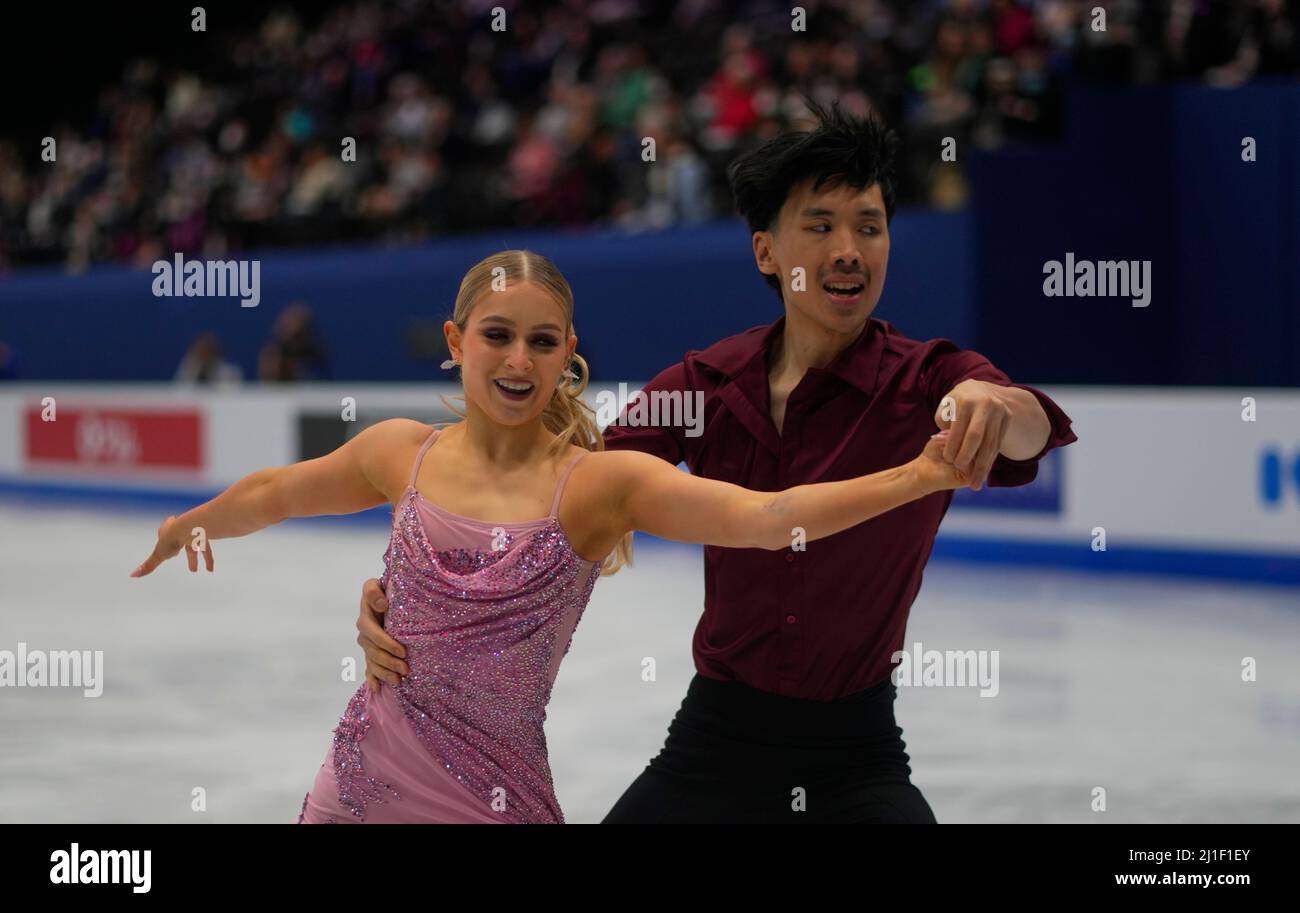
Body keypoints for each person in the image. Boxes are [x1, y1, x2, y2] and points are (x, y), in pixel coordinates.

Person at [357, 101, 1079, 823]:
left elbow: (1029, 427)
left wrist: (994, 403)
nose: (850, 249)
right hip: (716, 741)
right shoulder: (707, 386)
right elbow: (557, 492)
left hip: (857, 755)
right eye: (820, 226)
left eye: (869, 225)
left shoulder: (929, 380)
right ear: (768, 252)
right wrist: (416, 597)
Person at [129, 248, 975, 824]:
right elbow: (280, 491)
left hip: (496, 798)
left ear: (568, 352)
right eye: (497, 335)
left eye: (542, 341)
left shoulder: (599, 483)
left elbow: (766, 517)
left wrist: (921, 476)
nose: (518, 359)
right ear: (458, 342)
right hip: (360, 786)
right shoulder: (401, 453)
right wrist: (186, 524)